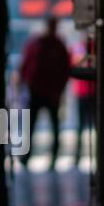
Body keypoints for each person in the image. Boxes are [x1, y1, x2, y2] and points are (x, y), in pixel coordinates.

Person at [16, 16, 72, 169]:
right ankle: (27, 157)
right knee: (33, 126)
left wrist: (59, 91)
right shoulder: (38, 43)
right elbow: (26, 64)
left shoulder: (57, 45)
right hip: (37, 91)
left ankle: (53, 158)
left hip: (50, 92)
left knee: (53, 126)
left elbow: (64, 70)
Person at [71, 35, 96, 169]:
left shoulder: (96, 49)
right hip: (82, 92)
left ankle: (97, 155)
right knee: (80, 126)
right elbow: (72, 66)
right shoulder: (77, 49)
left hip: (94, 93)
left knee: (97, 126)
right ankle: (78, 156)